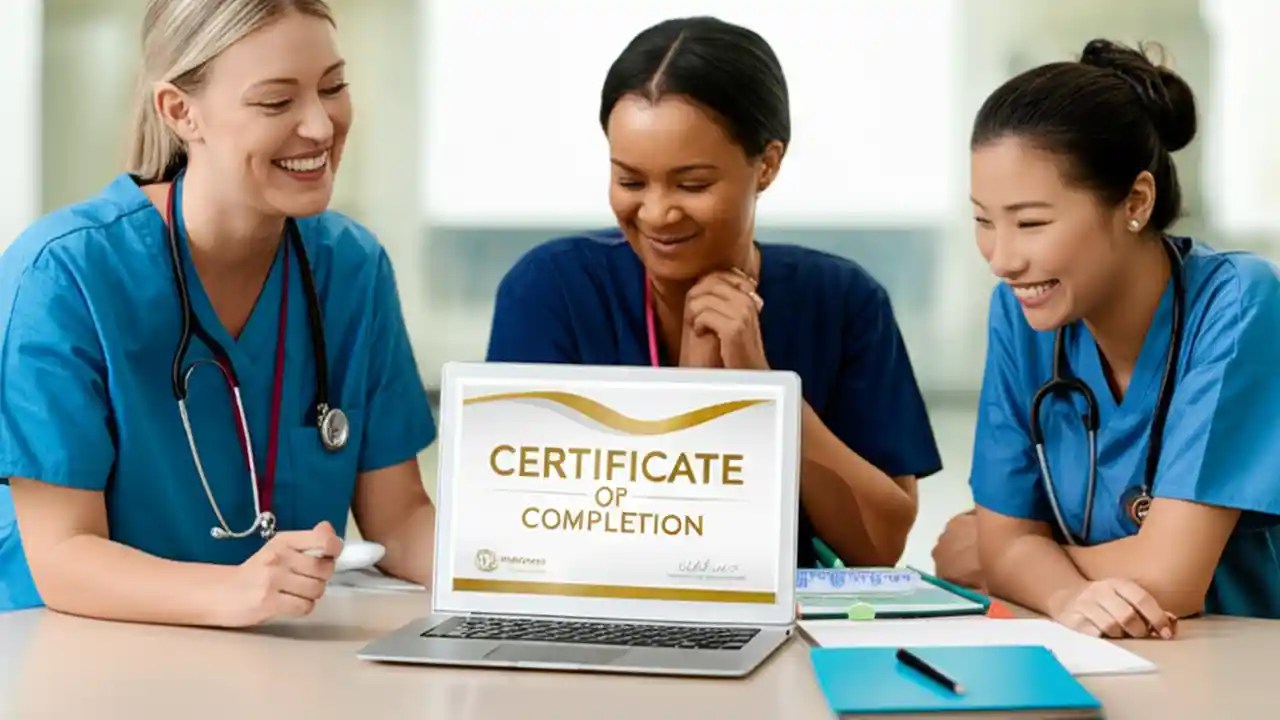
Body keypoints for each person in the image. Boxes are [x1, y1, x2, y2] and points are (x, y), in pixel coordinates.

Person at [0, 0, 437, 625]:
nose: (320, 125)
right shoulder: (65, 274)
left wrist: (548, 577)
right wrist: (234, 593)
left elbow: (398, 517)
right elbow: (63, 554)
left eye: (333, 87)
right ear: (181, 112)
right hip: (65, 648)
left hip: (266, 653)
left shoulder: (351, 268)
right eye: (276, 102)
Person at [484, 16, 942, 569]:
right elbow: (519, 535)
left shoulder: (843, 301)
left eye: (692, 184)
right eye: (630, 181)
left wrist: (766, 395)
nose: (656, 213)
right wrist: (694, 400)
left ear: (767, 164)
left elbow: (878, 548)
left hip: (779, 629)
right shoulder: (551, 290)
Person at [935, 38, 1280, 635]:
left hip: (1240, 660)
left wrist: (1010, 567)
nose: (1002, 259)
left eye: (1031, 222)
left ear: (1136, 201)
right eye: (984, 221)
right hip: (1098, 655)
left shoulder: (1238, 302)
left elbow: (1171, 580)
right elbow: (1005, 543)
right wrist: (1056, 587)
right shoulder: (1020, 315)